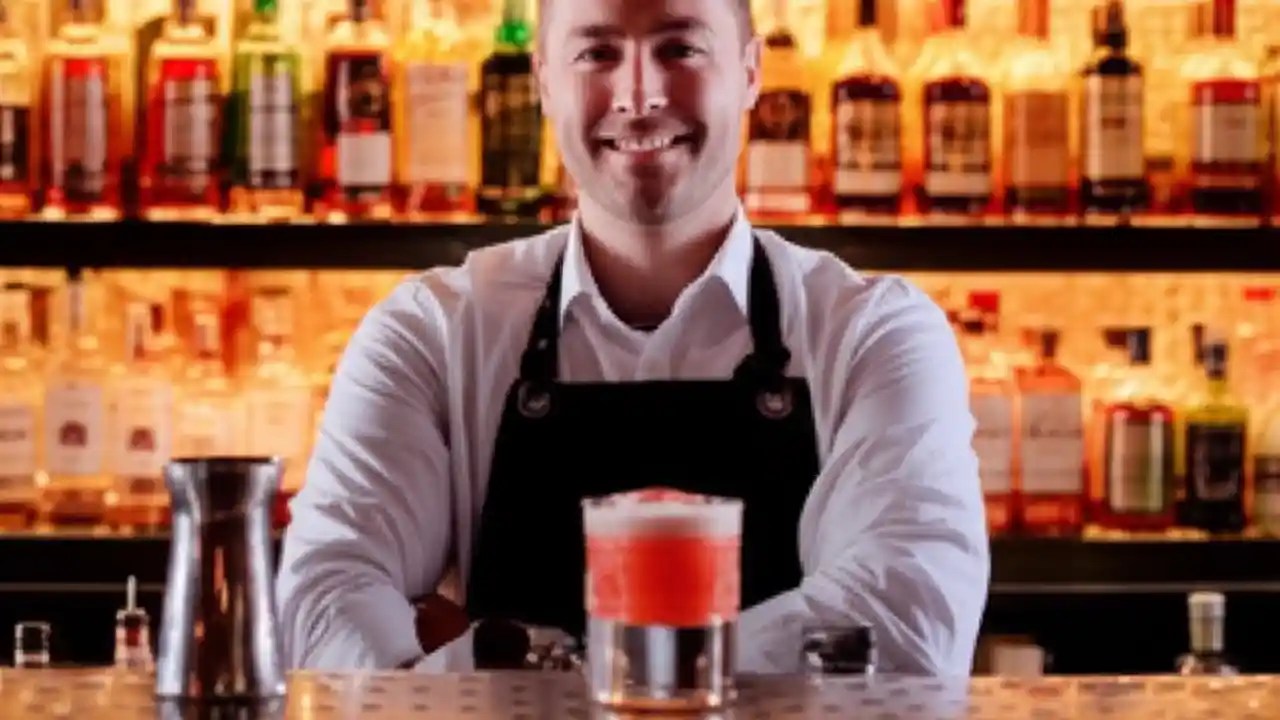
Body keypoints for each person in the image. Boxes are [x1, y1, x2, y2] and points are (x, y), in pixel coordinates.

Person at [276, 0, 989, 675]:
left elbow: (905, 622)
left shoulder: (876, 334)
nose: (640, 94)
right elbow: (324, 599)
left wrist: (521, 666)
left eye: (679, 47)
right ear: (545, 85)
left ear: (750, 73)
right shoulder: (431, 331)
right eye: (598, 52)